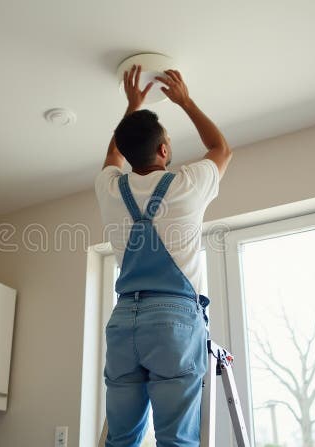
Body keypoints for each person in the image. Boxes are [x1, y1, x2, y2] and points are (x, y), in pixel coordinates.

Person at [94, 64, 232, 447]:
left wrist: (132, 107)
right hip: (174, 322)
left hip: (123, 322)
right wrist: (185, 101)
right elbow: (220, 148)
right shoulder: (187, 184)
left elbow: (113, 153)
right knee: (176, 441)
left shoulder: (109, 188)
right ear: (164, 149)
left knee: (121, 440)